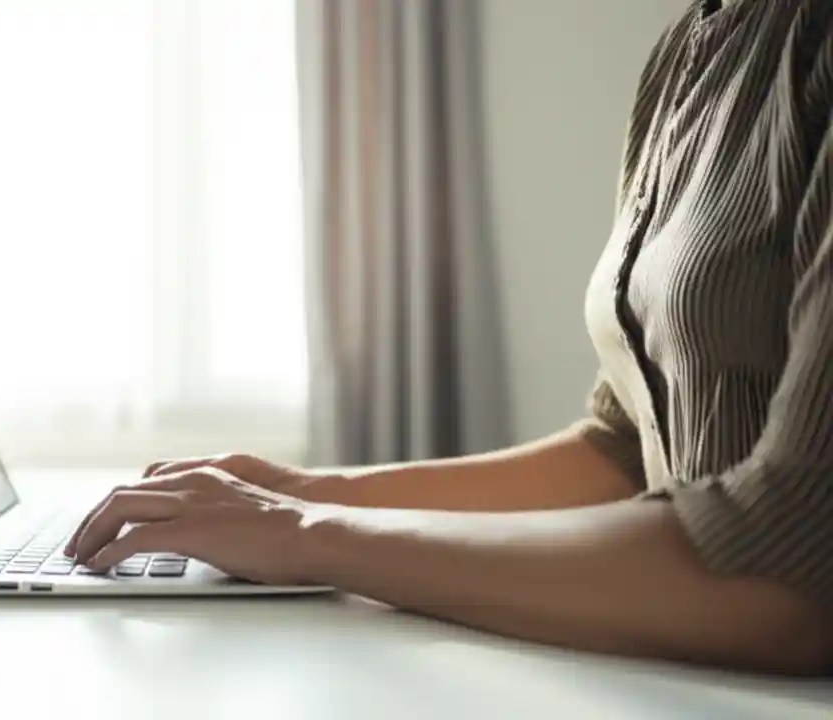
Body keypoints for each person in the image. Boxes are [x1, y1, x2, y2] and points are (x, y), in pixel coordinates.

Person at [65, 0, 833, 675]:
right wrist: (297, 491)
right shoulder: (687, 51)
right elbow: (627, 449)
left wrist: (306, 533)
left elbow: (795, 565)